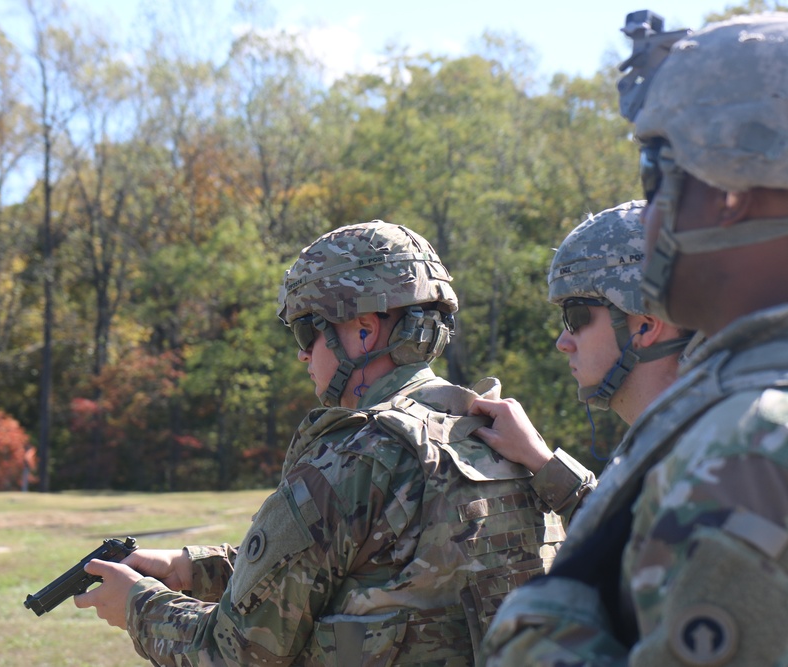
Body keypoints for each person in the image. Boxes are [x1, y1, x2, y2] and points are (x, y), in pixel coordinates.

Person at [74, 221, 565, 665]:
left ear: (364, 331)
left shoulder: (355, 457)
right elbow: (352, 566)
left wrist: (137, 604)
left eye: (308, 330)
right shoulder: (501, 437)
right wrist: (188, 568)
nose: (304, 354)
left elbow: (230, 654)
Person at [480, 12, 788, 665]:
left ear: (730, 188)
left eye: (656, 174)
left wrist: (542, 626)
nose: (647, 212)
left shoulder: (748, 443)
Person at [469, 201, 693, 524]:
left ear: (645, 323)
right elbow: (628, 537)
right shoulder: (685, 436)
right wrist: (541, 460)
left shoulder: (724, 447)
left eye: (576, 316)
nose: (563, 342)